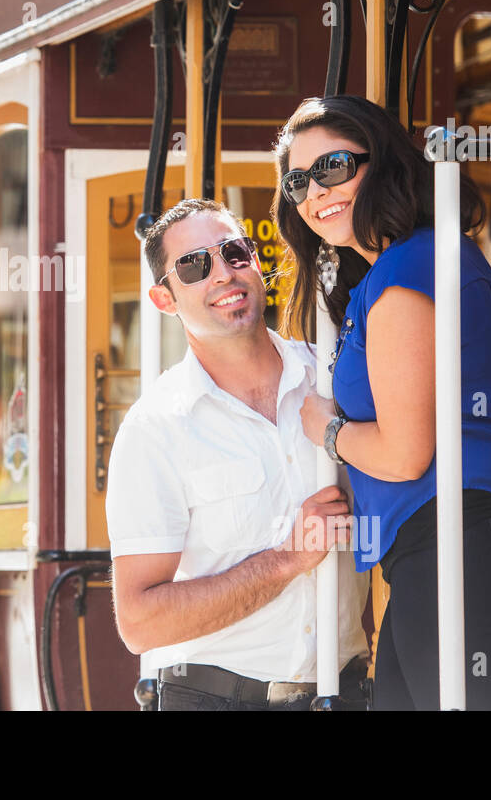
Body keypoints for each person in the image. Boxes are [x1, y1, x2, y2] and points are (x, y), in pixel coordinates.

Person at [271, 94, 491, 710]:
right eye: (299, 181)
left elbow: (406, 454)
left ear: (380, 162)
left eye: (333, 168)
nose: (314, 192)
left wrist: (326, 431)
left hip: (456, 537)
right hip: (425, 548)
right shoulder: (384, 273)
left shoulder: (409, 269)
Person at [107, 197, 370, 711]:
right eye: (194, 266)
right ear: (164, 299)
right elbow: (140, 622)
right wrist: (286, 560)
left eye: (234, 252)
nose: (222, 274)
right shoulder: (155, 428)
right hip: (214, 698)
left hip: (347, 692)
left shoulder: (333, 379)